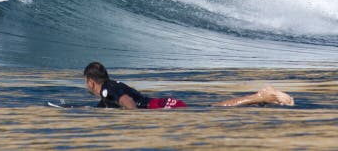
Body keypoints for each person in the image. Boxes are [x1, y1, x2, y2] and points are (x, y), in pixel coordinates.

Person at [82, 62, 294, 109]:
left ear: (91, 82)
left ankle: (260, 96)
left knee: (214, 109)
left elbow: (127, 102)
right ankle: (257, 101)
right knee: (214, 110)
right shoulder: (109, 90)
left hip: (162, 106)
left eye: (85, 82)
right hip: (161, 103)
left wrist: (136, 122)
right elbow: (106, 106)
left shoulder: (108, 89)